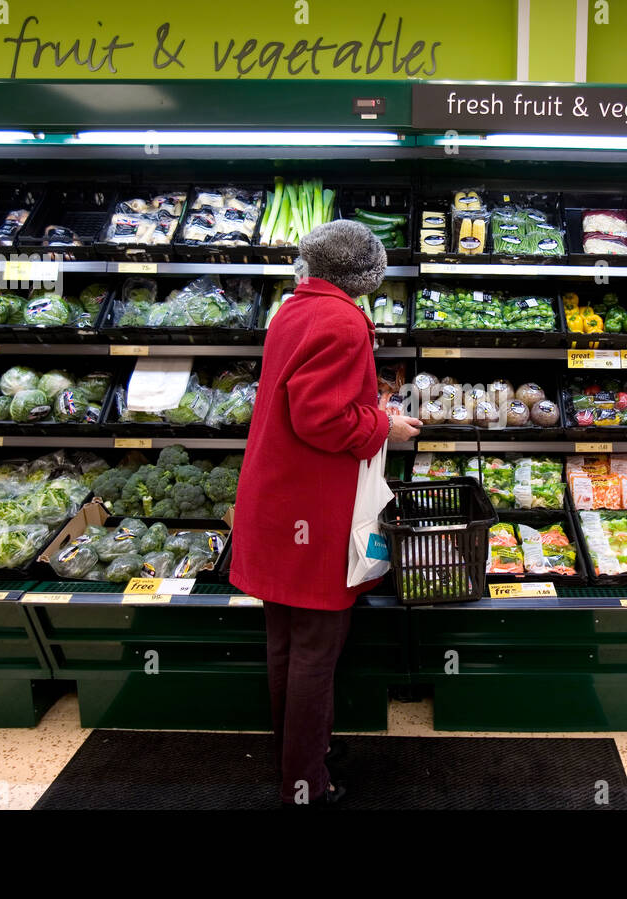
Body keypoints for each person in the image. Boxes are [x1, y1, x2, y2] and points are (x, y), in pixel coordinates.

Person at [229, 219, 422, 807]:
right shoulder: (343, 321)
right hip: (311, 512)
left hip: (277, 502)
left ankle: (298, 754)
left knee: (285, 642)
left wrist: (367, 401)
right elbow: (321, 420)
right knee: (317, 647)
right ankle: (305, 782)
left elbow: (306, 395)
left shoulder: (294, 310)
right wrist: (384, 424)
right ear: (366, 276)